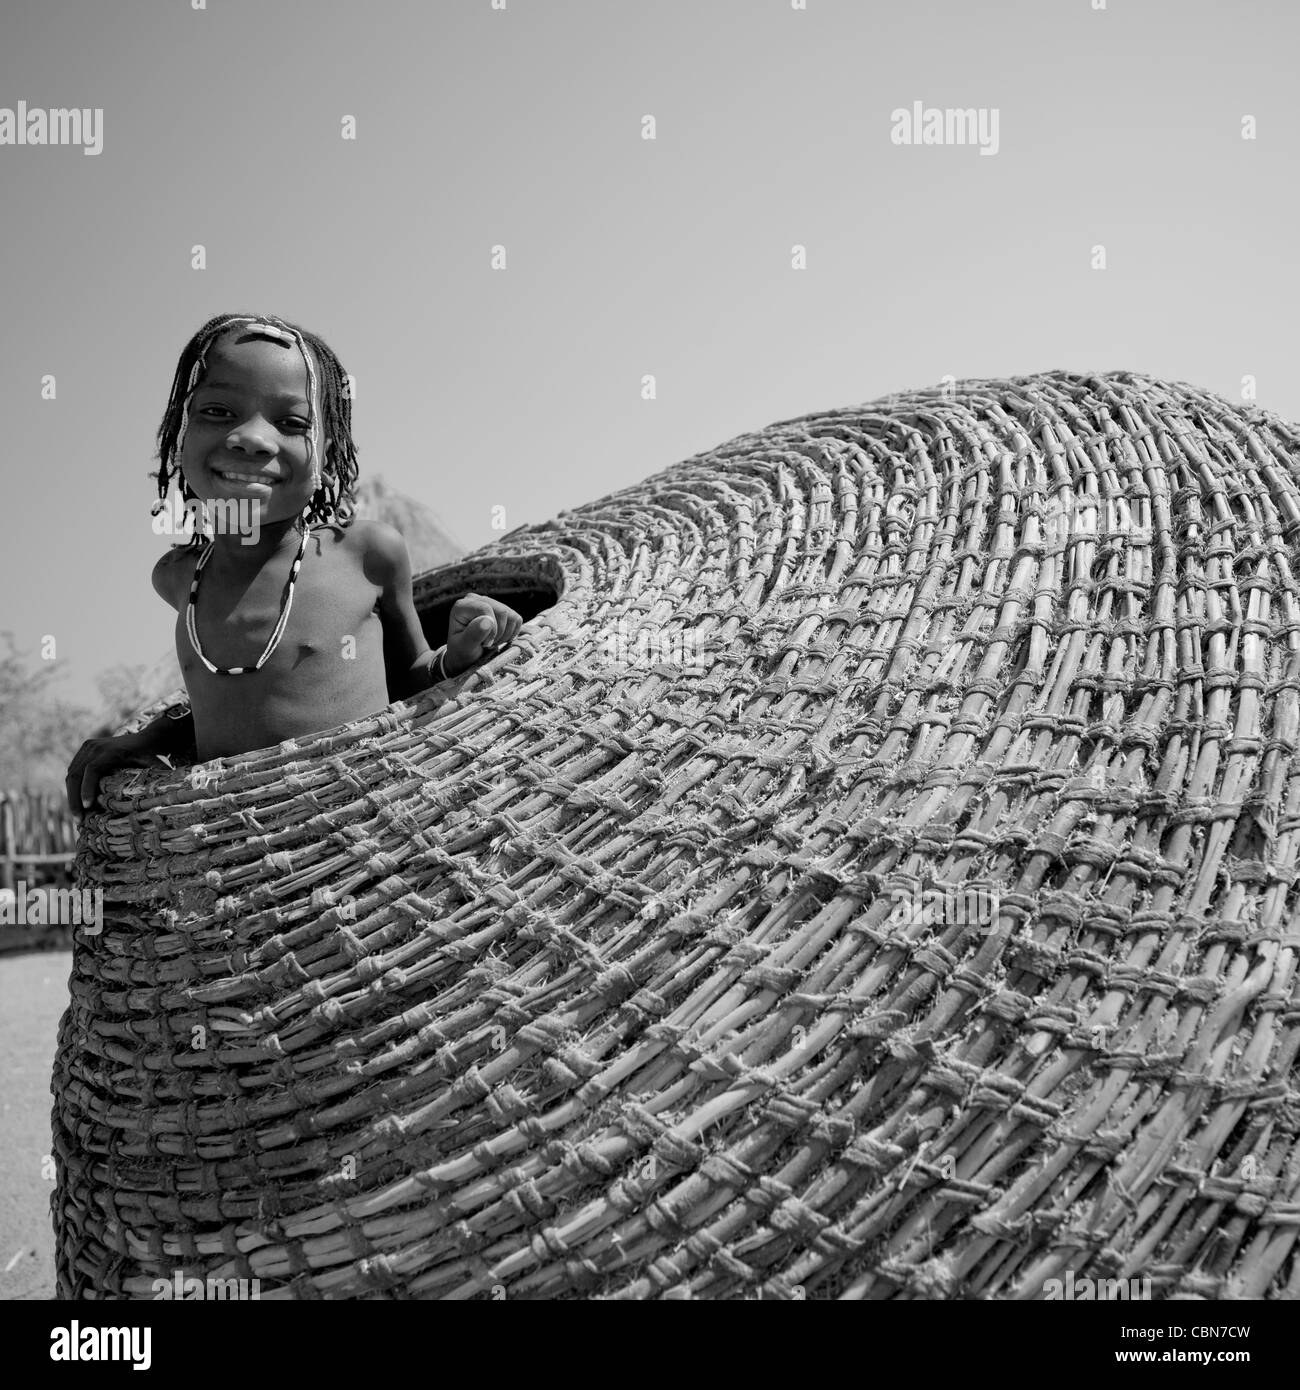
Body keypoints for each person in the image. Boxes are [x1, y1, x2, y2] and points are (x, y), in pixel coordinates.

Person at [66, 312, 521, 815]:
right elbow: (227, 699)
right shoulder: (178, 578)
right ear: (180, 433)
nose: (252, 438)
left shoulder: (366, 553)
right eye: (218, 411)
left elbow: (410, 679)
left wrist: (458, 655)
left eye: (292, 423)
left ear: (327, 453)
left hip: (363, 828)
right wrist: (147, 737)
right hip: (244, 857)